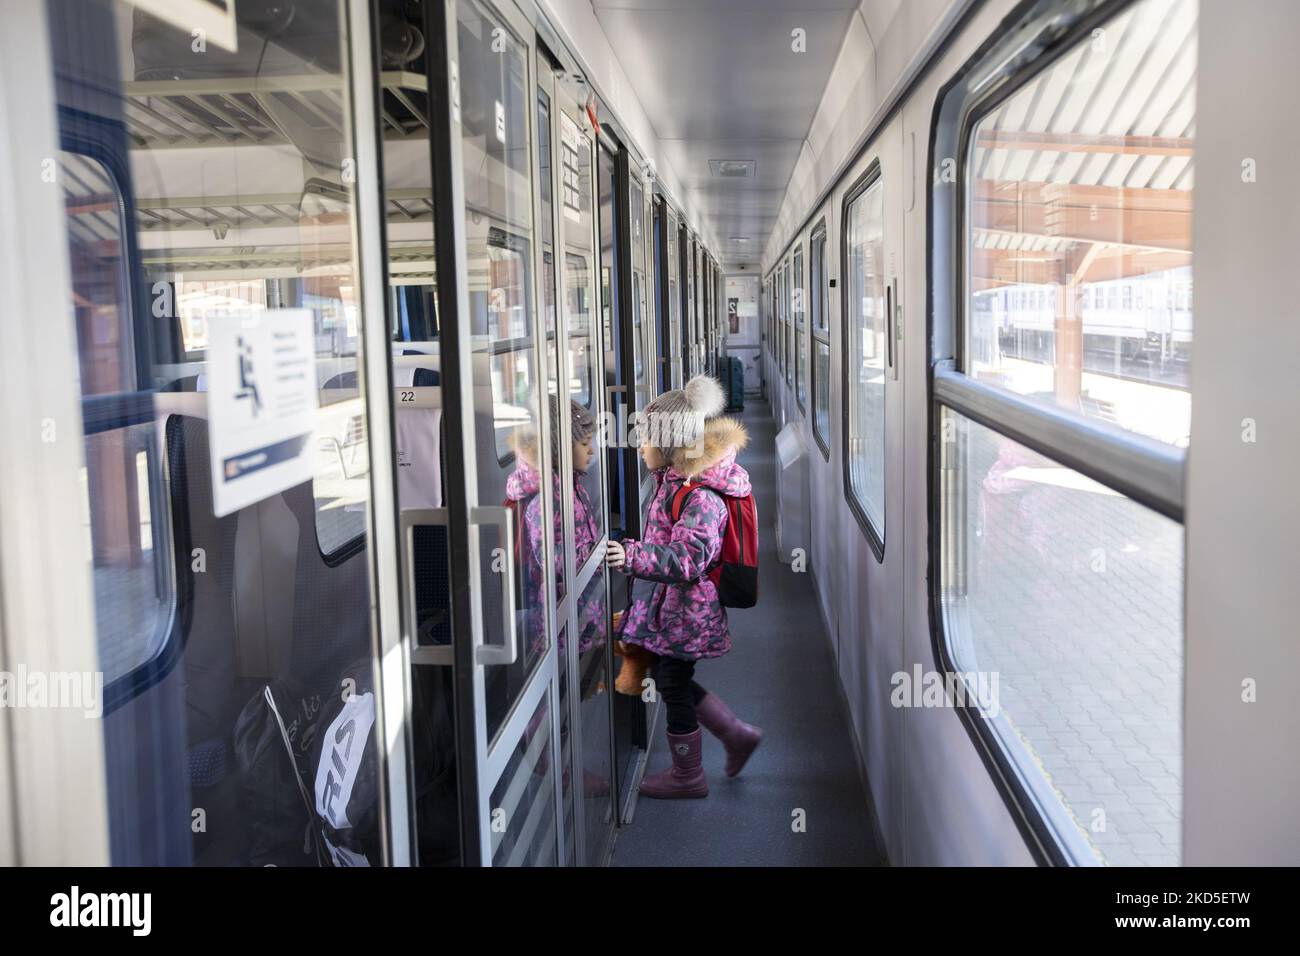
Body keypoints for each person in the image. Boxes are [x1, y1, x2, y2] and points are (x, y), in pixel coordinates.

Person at [605, 375, 762, 799]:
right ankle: (735, 734)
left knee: (672, 683)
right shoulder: (675, 481)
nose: (640, 448)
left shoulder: (700, 495)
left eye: (647, 440)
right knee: (671, 674)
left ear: (671, 445)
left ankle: (689, 775)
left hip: (688, 610)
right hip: (673, 608)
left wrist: (633, 556)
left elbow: (689, 559)